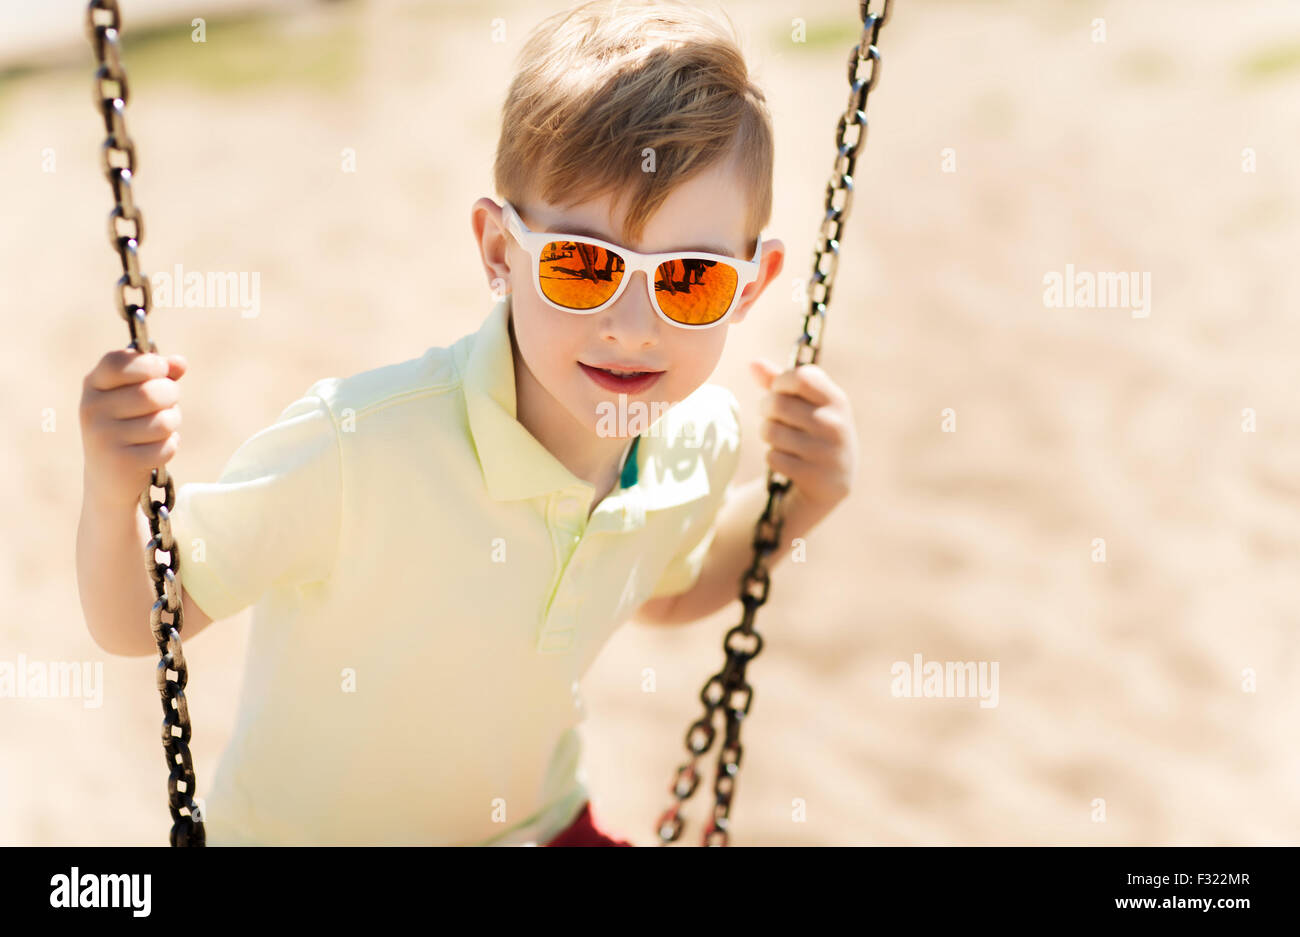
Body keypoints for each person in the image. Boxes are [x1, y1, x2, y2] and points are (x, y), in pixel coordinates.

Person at [75, 0, 857, 846]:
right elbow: (136, 619)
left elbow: (666, 588)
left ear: (751, 284)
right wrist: (114, 488)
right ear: (499, 251)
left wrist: (804, 497)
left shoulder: (699, 440)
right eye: (583, 264)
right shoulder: (359, 447)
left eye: (690, 279)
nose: (633, 325)